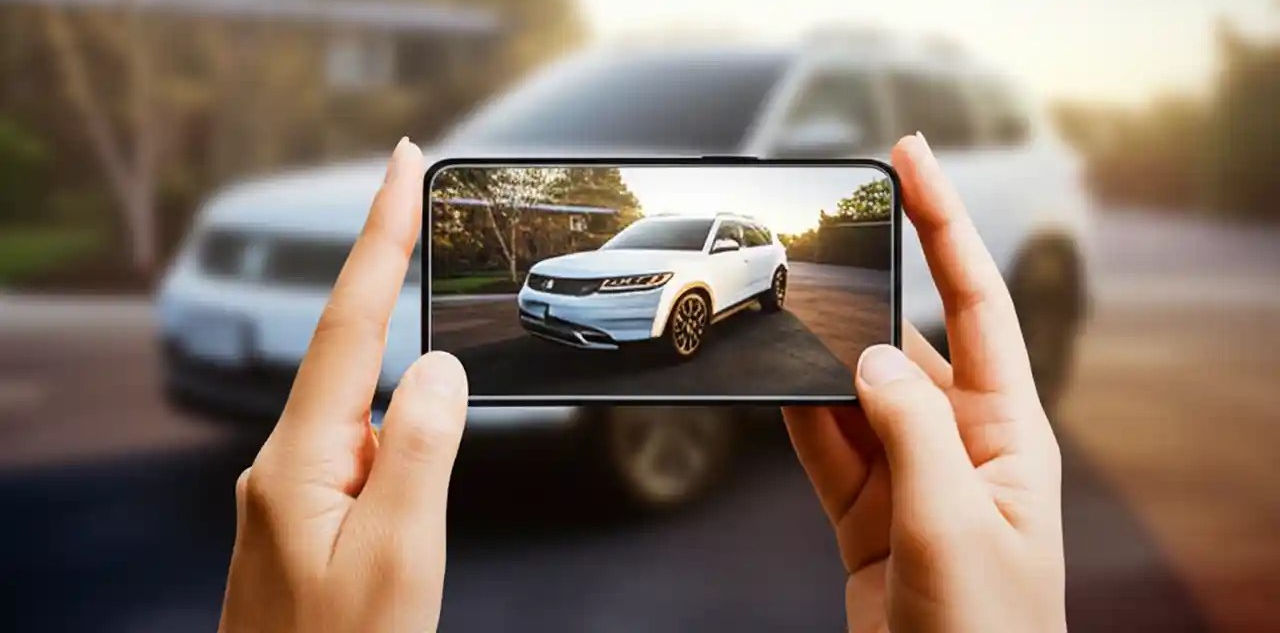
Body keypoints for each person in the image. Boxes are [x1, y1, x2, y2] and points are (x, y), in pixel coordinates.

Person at [217, 135, 1067, 632]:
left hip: (701, 283)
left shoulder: (735, 251)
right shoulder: (597, 255)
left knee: (672, 324)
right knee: (560, 305)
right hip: (603, 287)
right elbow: (571, 276)